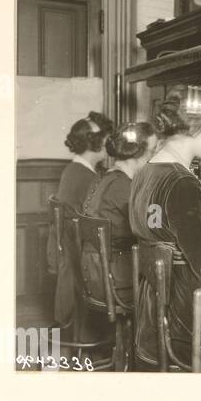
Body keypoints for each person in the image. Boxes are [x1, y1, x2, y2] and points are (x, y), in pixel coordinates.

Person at [130, 86, 201, 365]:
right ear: (195, 128)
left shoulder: (144, 172)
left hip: (152, 319)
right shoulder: (182, 184)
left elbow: (164, 234)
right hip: (187, 327)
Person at [78, 122, 158, 308]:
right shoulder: (123, 187)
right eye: (153, 151)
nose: (154, 157)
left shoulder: (103, 178)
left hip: (94, 277)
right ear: (137, 154)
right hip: (115, 284)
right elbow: (155, 229)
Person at [51, 111, 114, 325]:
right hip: (84, 266)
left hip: (72, 263)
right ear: (94, 143)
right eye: (106, 140)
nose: (109, 145)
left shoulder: (72, 170)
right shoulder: (87, 177)